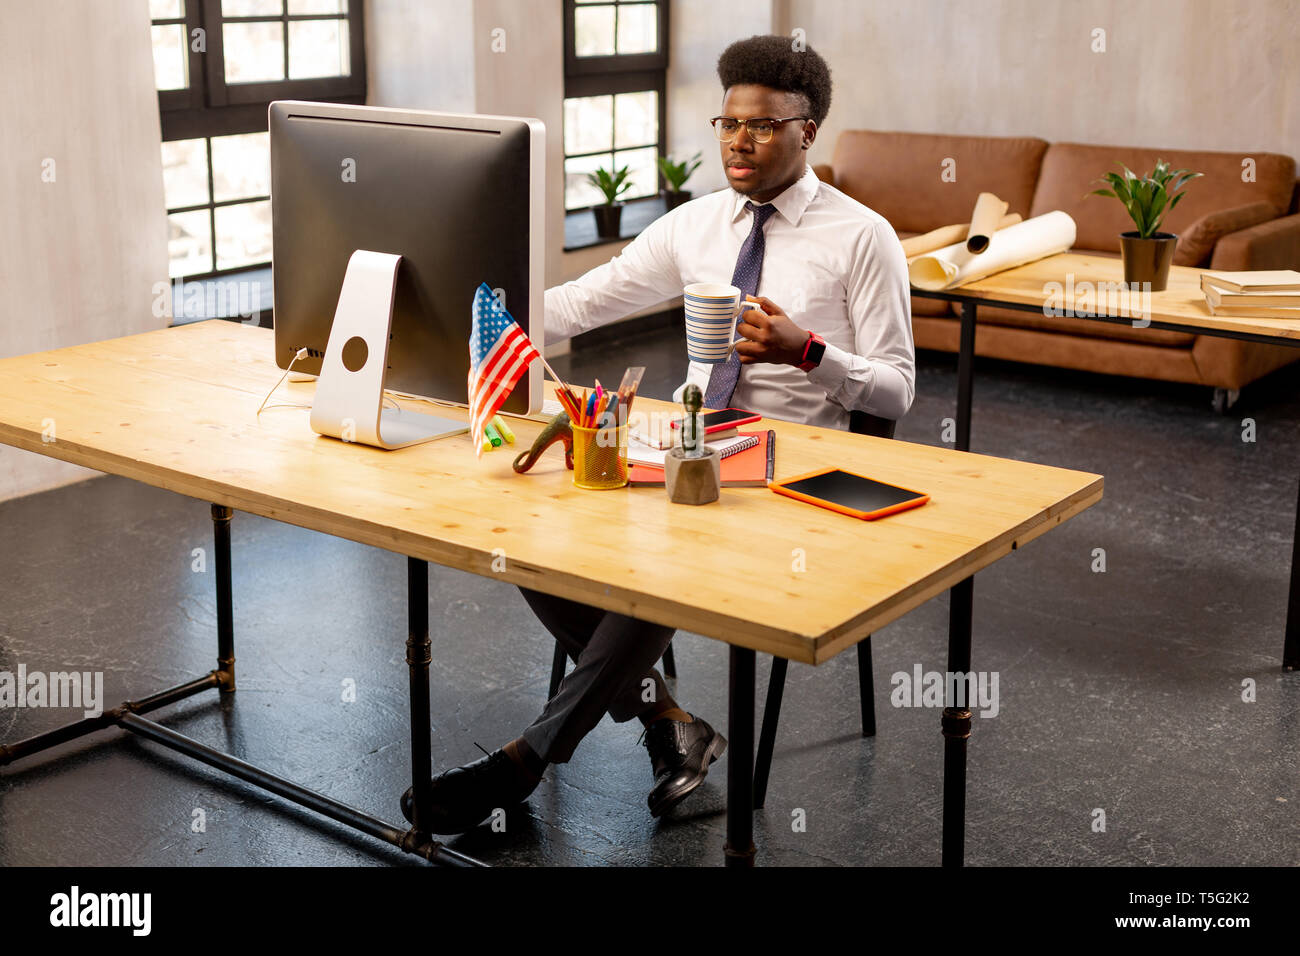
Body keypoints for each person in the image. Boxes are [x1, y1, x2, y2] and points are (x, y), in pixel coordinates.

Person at [401, 33, 914, 835]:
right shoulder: (695, 226)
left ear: (807, 132)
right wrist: (472, 294)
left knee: (659, 566)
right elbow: (579, 305)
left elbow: (897, 386)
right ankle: (667, 719)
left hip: (794, 470)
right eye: (727, 123)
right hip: (693, 445)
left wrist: (805, 351)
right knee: (530, 528)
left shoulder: (862, 237)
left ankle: (529, 756)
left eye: (765, 126)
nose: (739, 141)